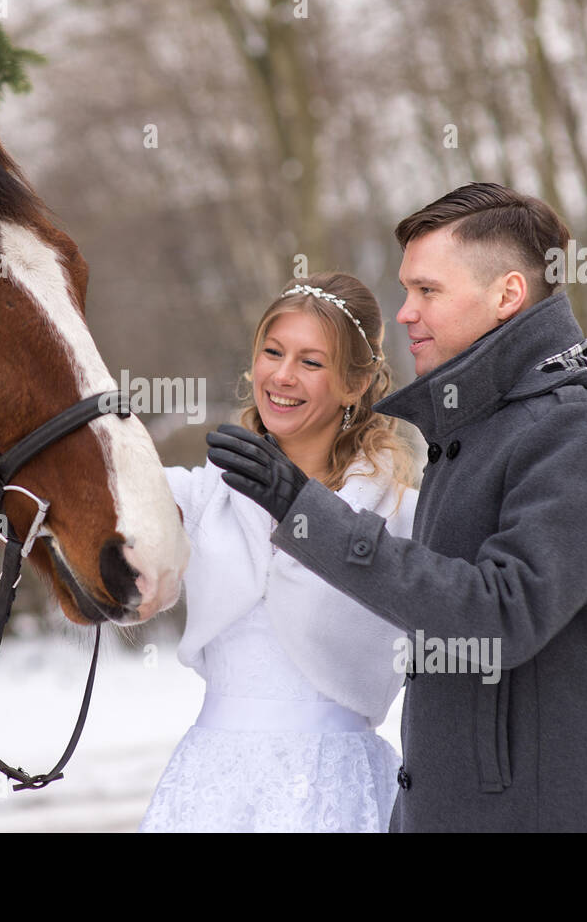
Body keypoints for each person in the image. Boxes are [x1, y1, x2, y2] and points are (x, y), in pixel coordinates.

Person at [208, 183, 587, 831]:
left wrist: (305, 510)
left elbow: (499, 614)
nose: (405, 312)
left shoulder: (584, 430)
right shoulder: (472, 431)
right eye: (406, 288)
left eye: (427, 290)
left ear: (508, 294)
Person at [139, 272, 418, 833]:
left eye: (311, 362)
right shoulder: (202, 494)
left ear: (355, 382)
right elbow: (96, 492)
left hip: (334, 791)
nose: (282, 375)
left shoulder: (399, 511)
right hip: (209, 790)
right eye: (272, 351)